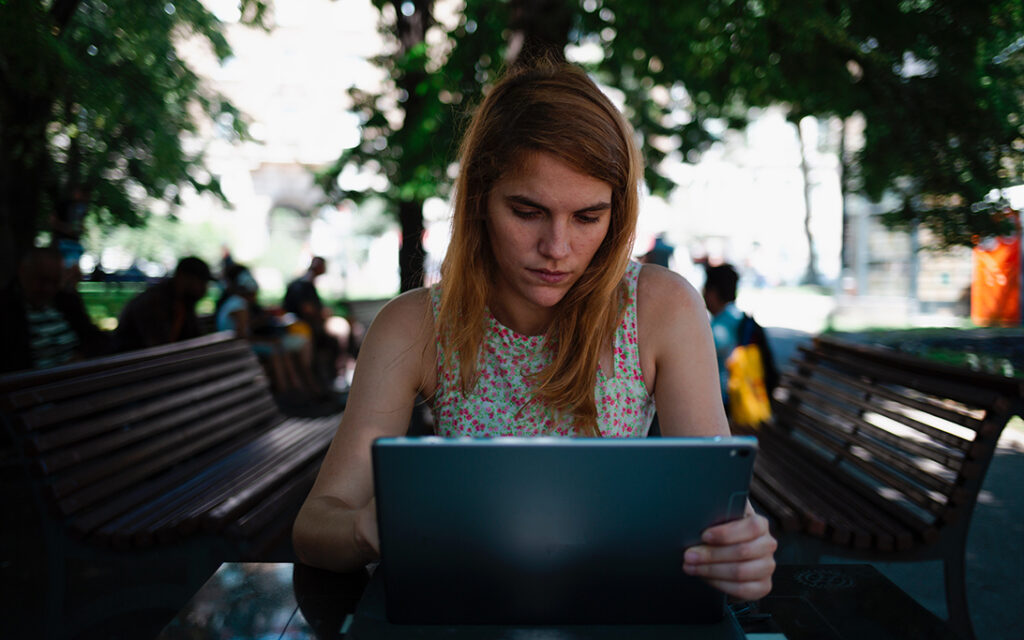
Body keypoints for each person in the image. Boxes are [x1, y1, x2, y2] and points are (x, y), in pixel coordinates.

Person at [292, 60, 776, 601]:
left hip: (616, 606)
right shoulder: (415, 325)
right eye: (527, 211)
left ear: (616, 215)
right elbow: (315, 527)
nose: (557, 248)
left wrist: (742, 554)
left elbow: (720, 510)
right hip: (471, 608)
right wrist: (368, 529)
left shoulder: (661, 308)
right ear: (480, 199)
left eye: (588, 217)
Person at [217, 264, 321, 400]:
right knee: (275, 349)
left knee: (278, 348)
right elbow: (242, 336)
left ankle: (294, 389)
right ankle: (287, 391)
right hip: (234, 348)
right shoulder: (239, 305)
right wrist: (266, 340)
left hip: (231, 346)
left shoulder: (232, 302)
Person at [0, 246, 109, 373]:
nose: (48, 288)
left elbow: (96, 339)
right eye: (42, 280)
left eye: (55, 282)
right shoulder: (6, 308)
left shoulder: (67, 301)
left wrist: (82, 357)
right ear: (23, 272)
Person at [113, 256, 213, 352]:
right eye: (202, 282)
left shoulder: (182, 303)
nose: (204, 289)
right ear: (183, 277)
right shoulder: (153, 303)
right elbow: (158, 348)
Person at [283, 256, 345, 388]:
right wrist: (322, 315)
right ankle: (326, 381)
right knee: (330, 342)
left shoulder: (304, 283)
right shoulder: (303, 285)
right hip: (302, 328)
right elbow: (307, 309)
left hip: (306, 327)